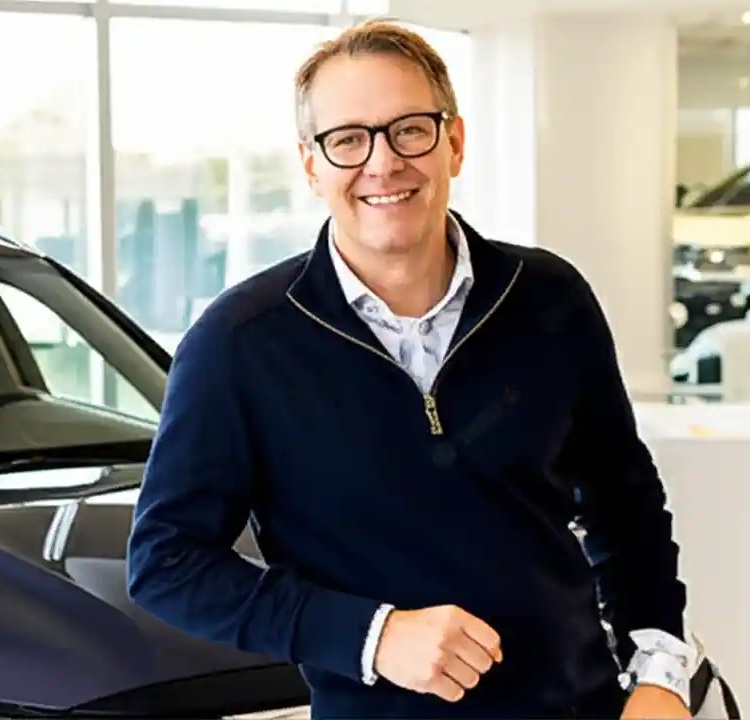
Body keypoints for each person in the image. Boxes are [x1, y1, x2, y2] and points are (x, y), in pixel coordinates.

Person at [127, 18, 696, 720]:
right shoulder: (240, 343)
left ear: (453, 142)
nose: (383, 162)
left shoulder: (550, 299)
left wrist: (661, 675)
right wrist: (371, 635)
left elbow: (626, 506)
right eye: (348, 139)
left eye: (410, 130)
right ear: (312, 165)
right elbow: (167, 564)